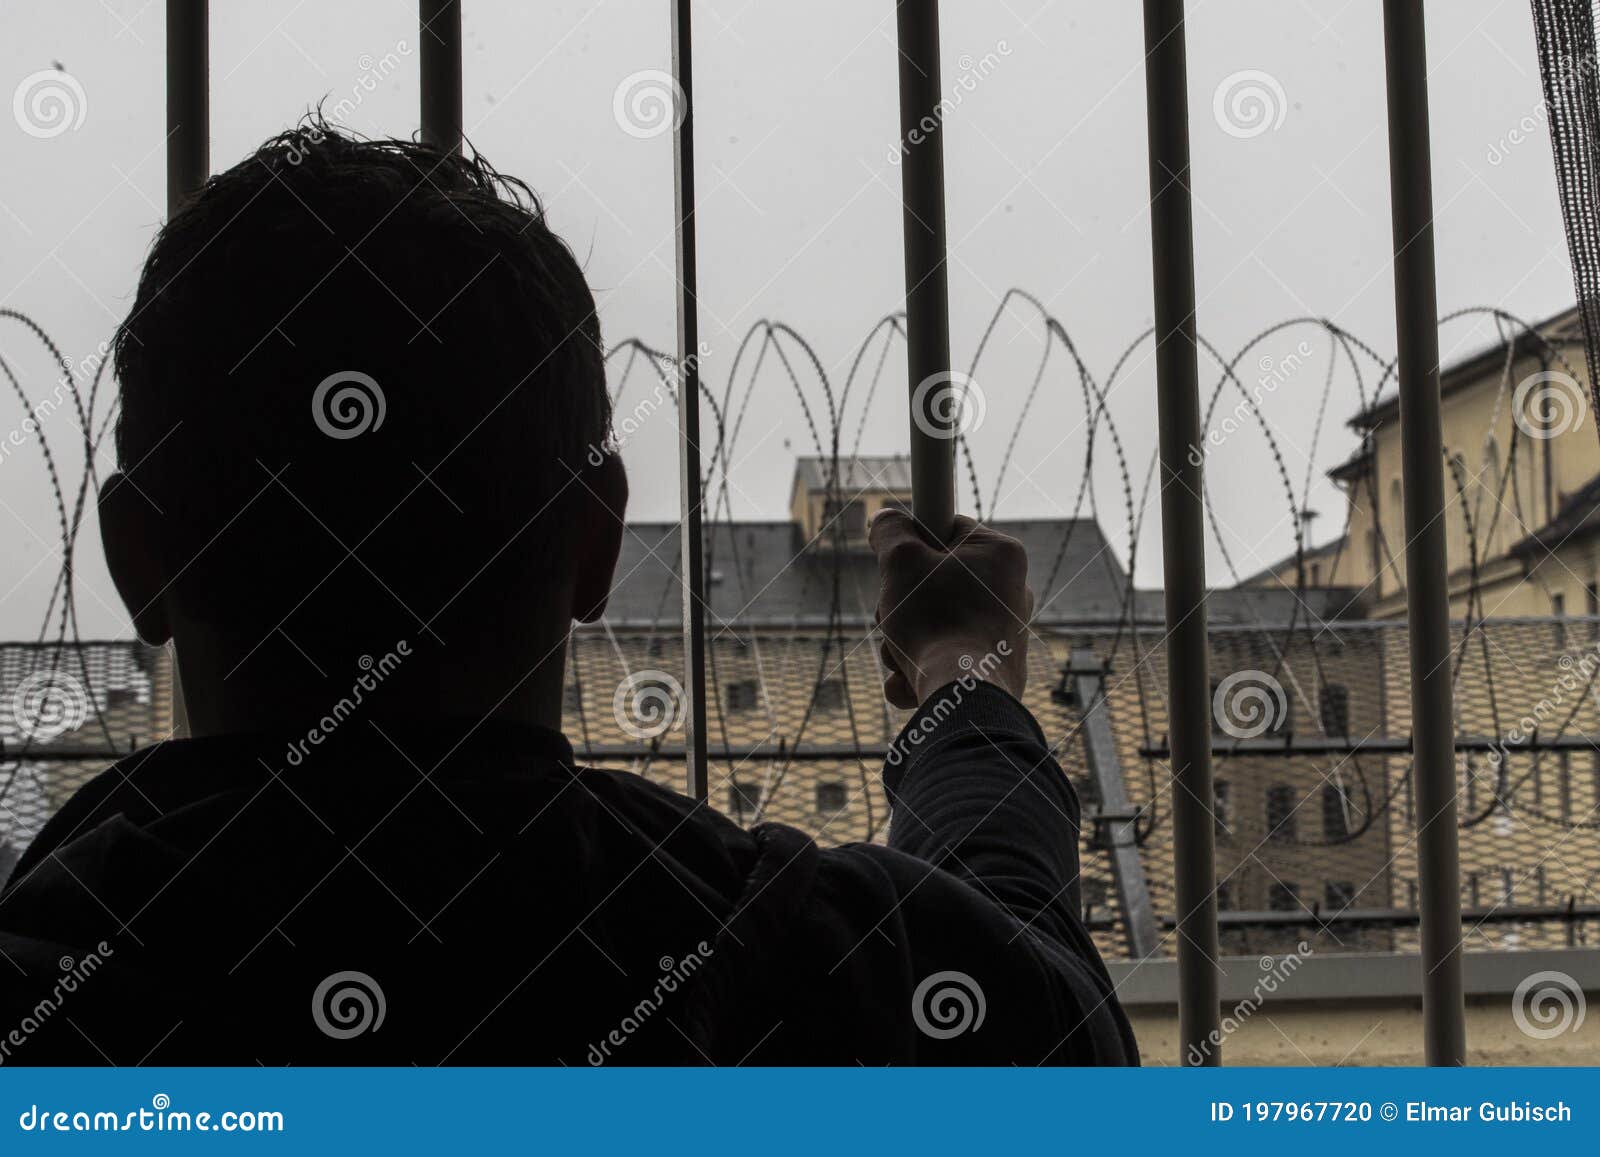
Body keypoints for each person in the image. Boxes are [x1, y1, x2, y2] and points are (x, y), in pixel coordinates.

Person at [0, 120, 1136, 1066]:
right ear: (596, 546)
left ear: (136, 560)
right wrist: (959, 674)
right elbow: (1050, 1020)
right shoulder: (756, 955)